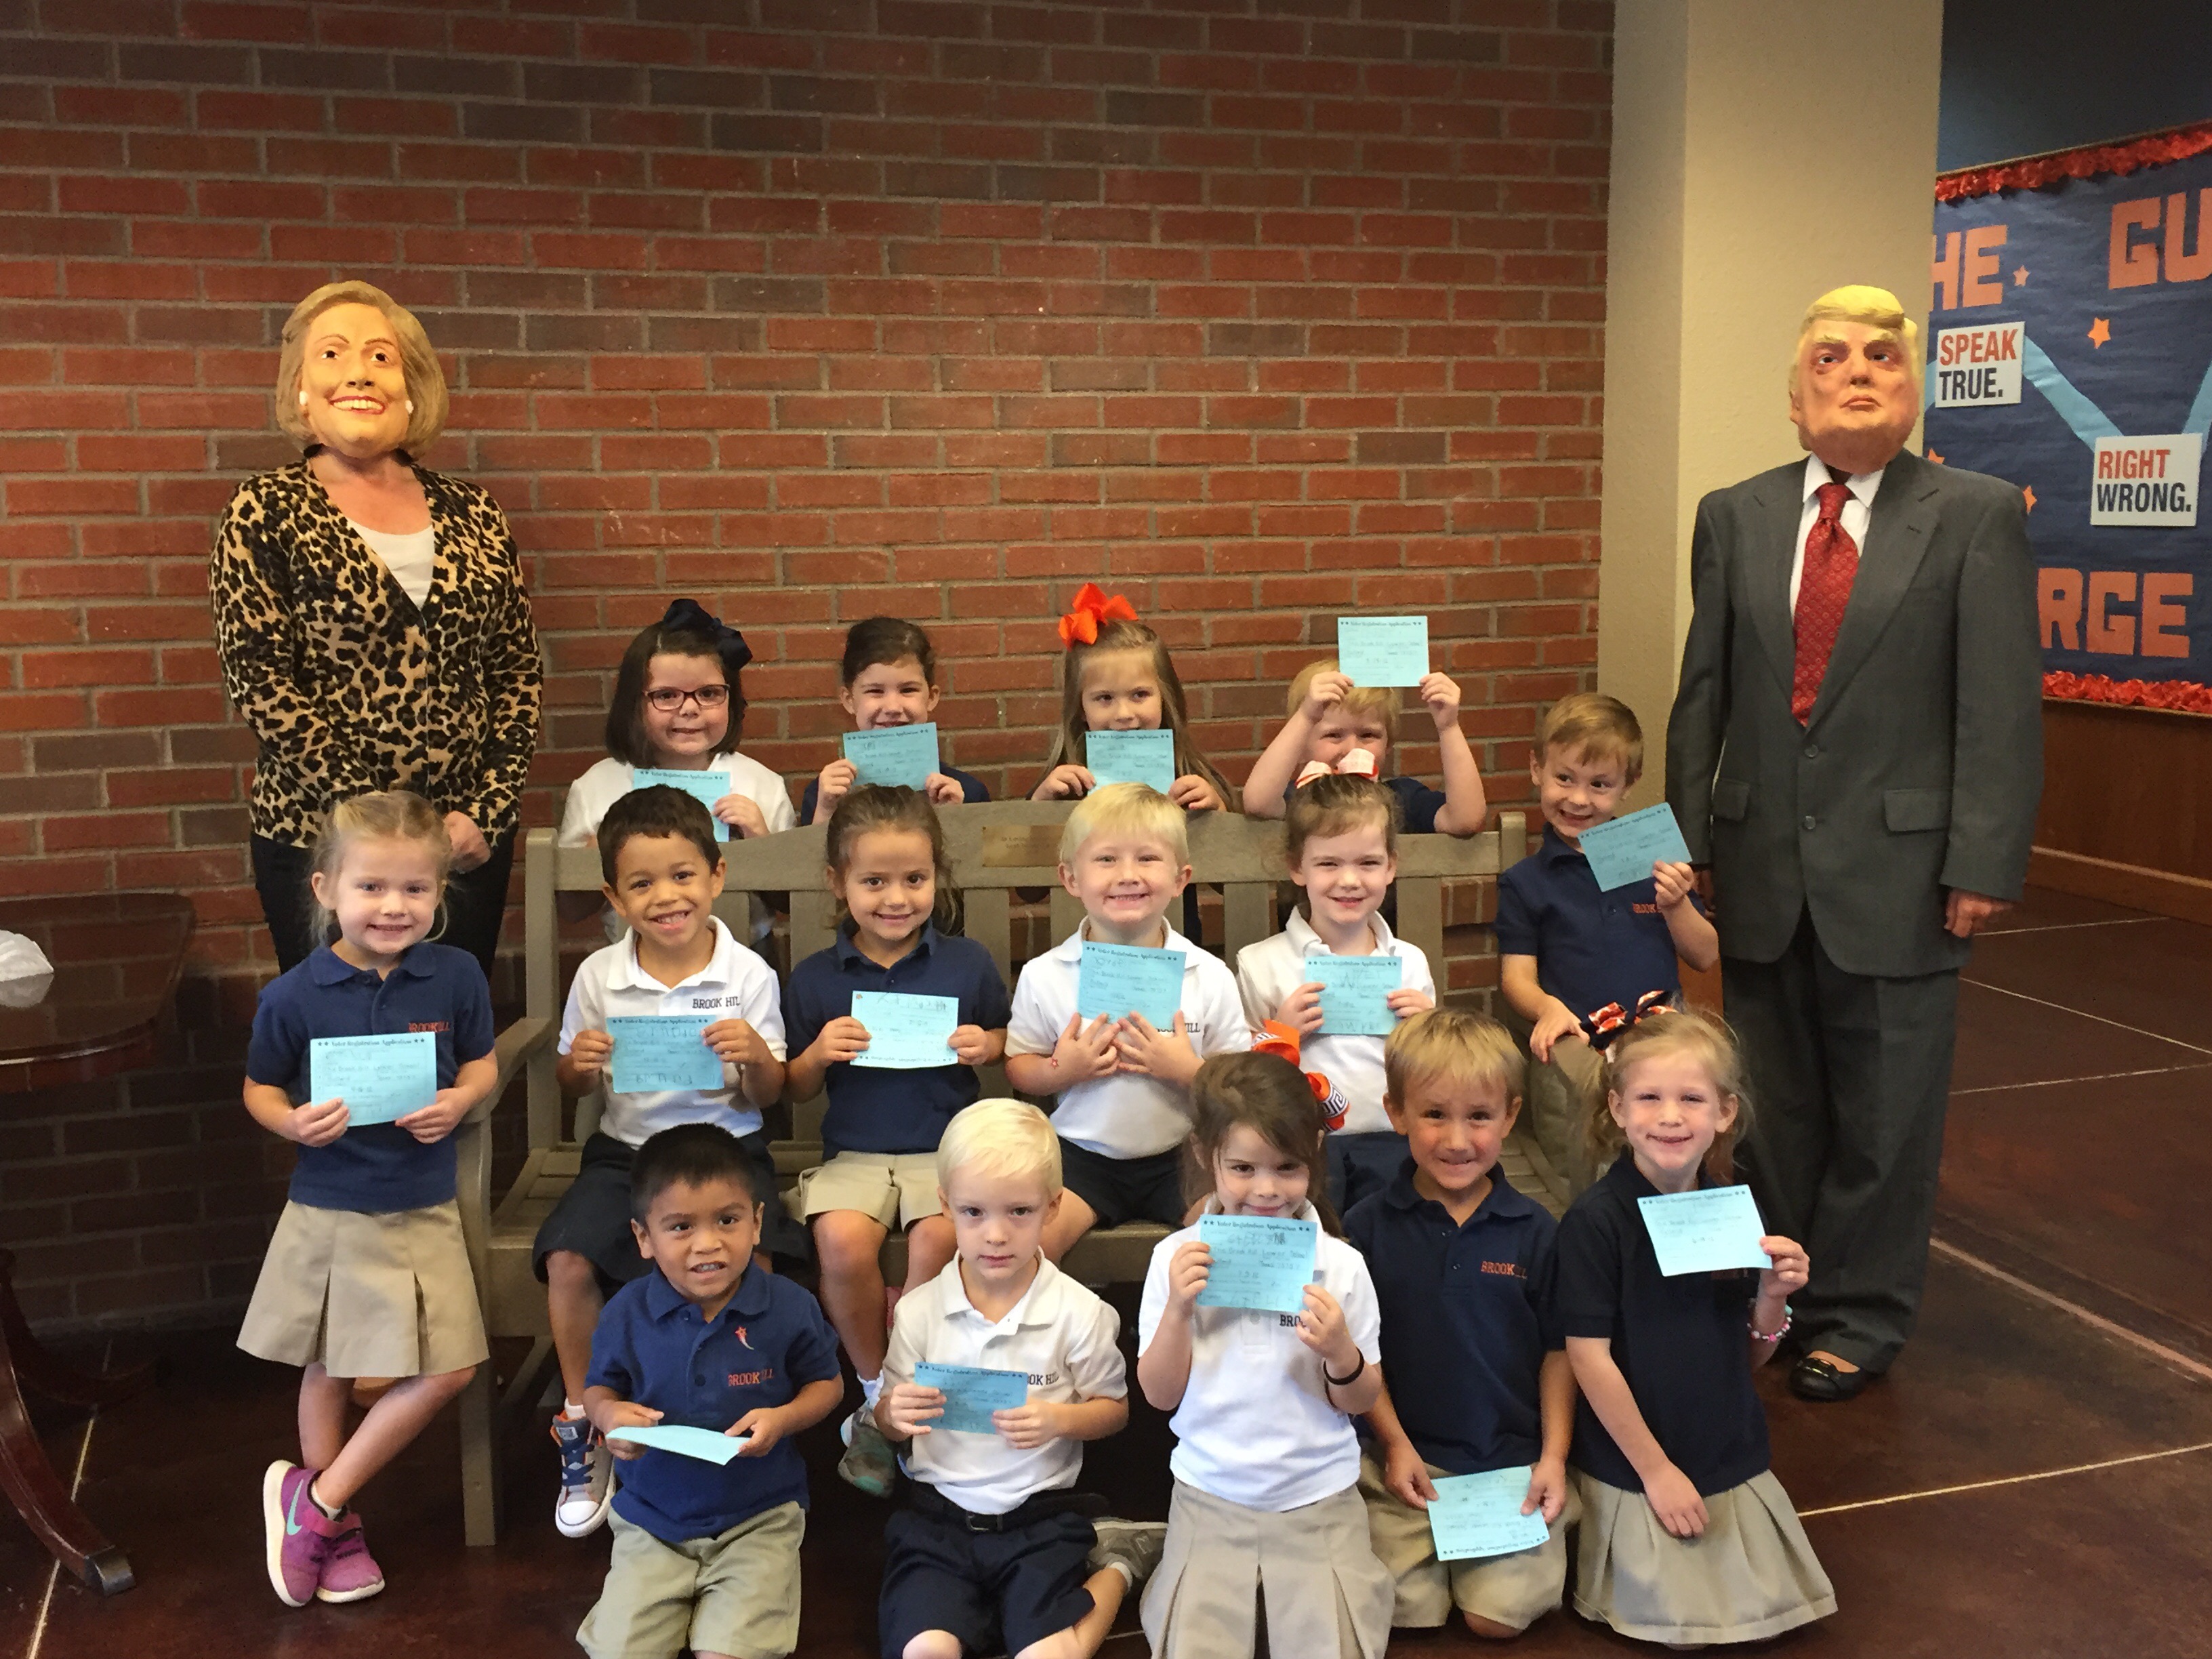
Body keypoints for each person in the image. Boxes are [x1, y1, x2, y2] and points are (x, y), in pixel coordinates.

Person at [1666, 284, 2043, 1400]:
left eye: (1880, 354)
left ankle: (1861, 1313)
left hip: (1904, 876)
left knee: (1884, 1114)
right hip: (1759, 872)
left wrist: (1981, 857)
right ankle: (1777, 1288)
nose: (1855, 371)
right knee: (1773, 1111)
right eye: (1828, 356)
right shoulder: (1732, 513)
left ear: (1913, 387)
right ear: (1794, 397)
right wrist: (1680, 850)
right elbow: (1704, 697)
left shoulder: (1972, 513)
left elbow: (1997, 705)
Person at [212, 280, 541, 980]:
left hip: (462, 843)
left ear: (411, 387)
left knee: (446, 1039)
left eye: (380, 357)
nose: (358, 372)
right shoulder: (264, 509)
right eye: (332, 354)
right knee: (343, 1052)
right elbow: (260, 680)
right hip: (324, 843)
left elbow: (516, 671)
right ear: (302, 388)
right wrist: (381, 828)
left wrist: (488, 805)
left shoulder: (476, 512)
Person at [237, 791, 496, 1607]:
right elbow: (258, 1088)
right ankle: (336, 1527)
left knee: (449, 1367)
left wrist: (461, 1101)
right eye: (372, 888)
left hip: (424, 1201)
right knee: (331, 1360)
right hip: (332, 1202)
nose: (393, 906)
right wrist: (292, 1125)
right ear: (325, 892)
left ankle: (314, 1500)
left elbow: (482, 1064)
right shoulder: (294, 995)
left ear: (440, 895)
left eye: (415, 890)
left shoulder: (455, 975)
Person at [537, 786, 794, 1540]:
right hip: (628, 1154)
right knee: (567, 1260)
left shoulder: (746, 973)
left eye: (682, 875)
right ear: (614, 896)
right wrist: (579, 1068)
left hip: (727, 1148)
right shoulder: (599, 976)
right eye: (642, 884)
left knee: (760, 1264)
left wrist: (753, 1060)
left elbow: (771, 1090)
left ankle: (753, 1417)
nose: (666, 897)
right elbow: (568, 1076)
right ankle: (588, 1418)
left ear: (717, 876)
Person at [1557, 1012, 1833, 1645]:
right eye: (1650, 1098)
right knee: (1669, 1615)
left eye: (1692, 1098)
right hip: (1637, 1451)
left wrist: (1772, 1297)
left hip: (1719, 1441)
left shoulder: (1733, 1209)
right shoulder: (1596, 1223)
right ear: (1618, 1109)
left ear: (1725, 1112)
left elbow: (1750, 1357)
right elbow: (1588, 1358)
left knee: (1762, 1615)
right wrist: (1655, 1471)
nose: (1671, 1116)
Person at [781, 786, 1012, 1496]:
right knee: (844, 1244)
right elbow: (792, 1086)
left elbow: (1009, 1036)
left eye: (914, 879)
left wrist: (987, 1044)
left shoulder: (966, 963)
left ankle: (907, 1389)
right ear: (837, 883)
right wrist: (819, 1052)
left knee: (938, 1241)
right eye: (873, 881)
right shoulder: (817, 978)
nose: (896, 897)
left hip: (944, 1155)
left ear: (938, 877)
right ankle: (880, 1390)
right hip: (854, 1155)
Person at [872, 1099, 1164, 1659]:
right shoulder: (919, 1311)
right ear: (946, 1207)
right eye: (974, 1213)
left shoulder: (1080, 1312)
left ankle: (1120, 1564)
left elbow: (1115, 1409)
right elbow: (888, 1418)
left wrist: (1060, 1418)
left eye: (1020, 1212)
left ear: (1053, 1208)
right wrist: (894, 1415)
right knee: (925, 1652)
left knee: (1049, 1656)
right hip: (937, 1520)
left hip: (1040, 1520)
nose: (997, 1235)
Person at [1136, 1050, 1393, 1659]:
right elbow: (1159, 1394)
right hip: (1210, 1491)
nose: (1267, 1189)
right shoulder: (1174, 1259)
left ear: (1313, 1163)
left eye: (1287, 1168)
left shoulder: (1340, 1263)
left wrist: (1340, 1354)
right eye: (1243, 1167)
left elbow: (1362, 1398)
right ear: (1207, 1157)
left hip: (1318, 1494)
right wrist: (1177, 1309)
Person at [576, 1123, 844, 1659]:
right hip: (652, 1518)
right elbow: (597, 1389)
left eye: (728, 1220)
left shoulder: (788, 1305)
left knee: (730, 1652)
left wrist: (785, 1418)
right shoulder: (627, 1312)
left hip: (760, 1519)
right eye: (680, 1227)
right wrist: (609, 1418)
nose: (708, 1244)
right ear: (644, 1238)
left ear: (757, 1222)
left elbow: (829, 1384)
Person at [1347, 1010, 1574, 1640]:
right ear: (1395, 1113)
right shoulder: (1364, 1228)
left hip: (1507, 1463)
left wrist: (1553, 1457)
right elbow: (1360, 1356)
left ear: (1510, 1116)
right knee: (1404, 1615)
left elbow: (1559, 1352)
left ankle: (1548, 1522)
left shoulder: (1537, 1231)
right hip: (1403, 1461)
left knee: (1494, 1620)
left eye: (1479, 1116)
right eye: (1434, 1114)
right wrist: (1394, 1446)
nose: (1457, 1139)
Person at [1002, 784, 1252, 1263]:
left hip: (1185, 1157)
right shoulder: (1047, 974)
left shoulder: (1207, 975)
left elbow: (1240, 1080)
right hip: (1080, 1158)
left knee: (1230, 1243)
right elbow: (1019, 1063)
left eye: (1147, 859)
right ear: (1070, 878)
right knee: (1029, 1250)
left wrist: (1188, 1071)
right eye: (1106, 860)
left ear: (1181, 878)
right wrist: (1060, 1070)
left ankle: (1191, 1335)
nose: (1127, 875)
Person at [1497, 693, 1717, 1196]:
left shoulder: (1653, 862)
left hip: (1662, 1040)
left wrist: (1677, 904)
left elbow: (1705, 955)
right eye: (1565, 778)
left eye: (1599, 785)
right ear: (1537, 768)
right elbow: (1516, 979)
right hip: (1578, 1046)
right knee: (1596, 1157)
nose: (1578, 799)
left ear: (1627, 786)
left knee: (1693, 1104)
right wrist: (1547, 1009)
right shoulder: (1526, 882)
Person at [1234, 773, 1437, 1214]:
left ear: (1391, 866)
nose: (1349, 880)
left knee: (1396, 1223)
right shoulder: (1262, 963)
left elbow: (1437, 1072)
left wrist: (1427, 1034)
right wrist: (1281, 1035)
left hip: (1393, 1139)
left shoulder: (1409, 963)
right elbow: (1241, 1080)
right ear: (1296, 867)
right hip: (1298, 1146)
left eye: (1367, 863)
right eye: (1328, 864)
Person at [558, 598, 795, 948]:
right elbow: (571, 908)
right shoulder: (598, 787)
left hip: (747, 959)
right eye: (666, 695)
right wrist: (597, 856)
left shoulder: (762, 784)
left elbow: (792, 902)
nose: (689, 709)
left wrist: (761, 843)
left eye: (709, 693)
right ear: (634, 704)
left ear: (732, 700)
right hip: (631, 965)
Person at [1029, 585, 1234, 813]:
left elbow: (1232, 846)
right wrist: (1040, 806)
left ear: (1166, 699)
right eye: (1105, 698)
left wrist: (1218, 811)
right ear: (1080, 710)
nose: (1124, 714)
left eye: (1139, 694)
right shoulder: (1064, 789)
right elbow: (1023, 847)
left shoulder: (1192, 782)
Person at [1240, 657, 1488, 834]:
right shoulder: (1300, 797)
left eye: (1368, 735)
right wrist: (1306, 716)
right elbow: (1257, 802)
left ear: (1389, 744)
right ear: (1301, 745)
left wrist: (1448, 728)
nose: (1352, 749)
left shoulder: (1402, 799)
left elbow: (1466, 820)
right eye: (1334, 735)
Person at [802, 617, 993, 825]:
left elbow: (978, 857)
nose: (893, 707)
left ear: (931, 697)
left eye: (908, 690)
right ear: (849, 700)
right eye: (875, 691)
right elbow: (812, 858)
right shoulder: (825, 795)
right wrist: (826, 812)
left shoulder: (968, 793)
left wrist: (954, 818)